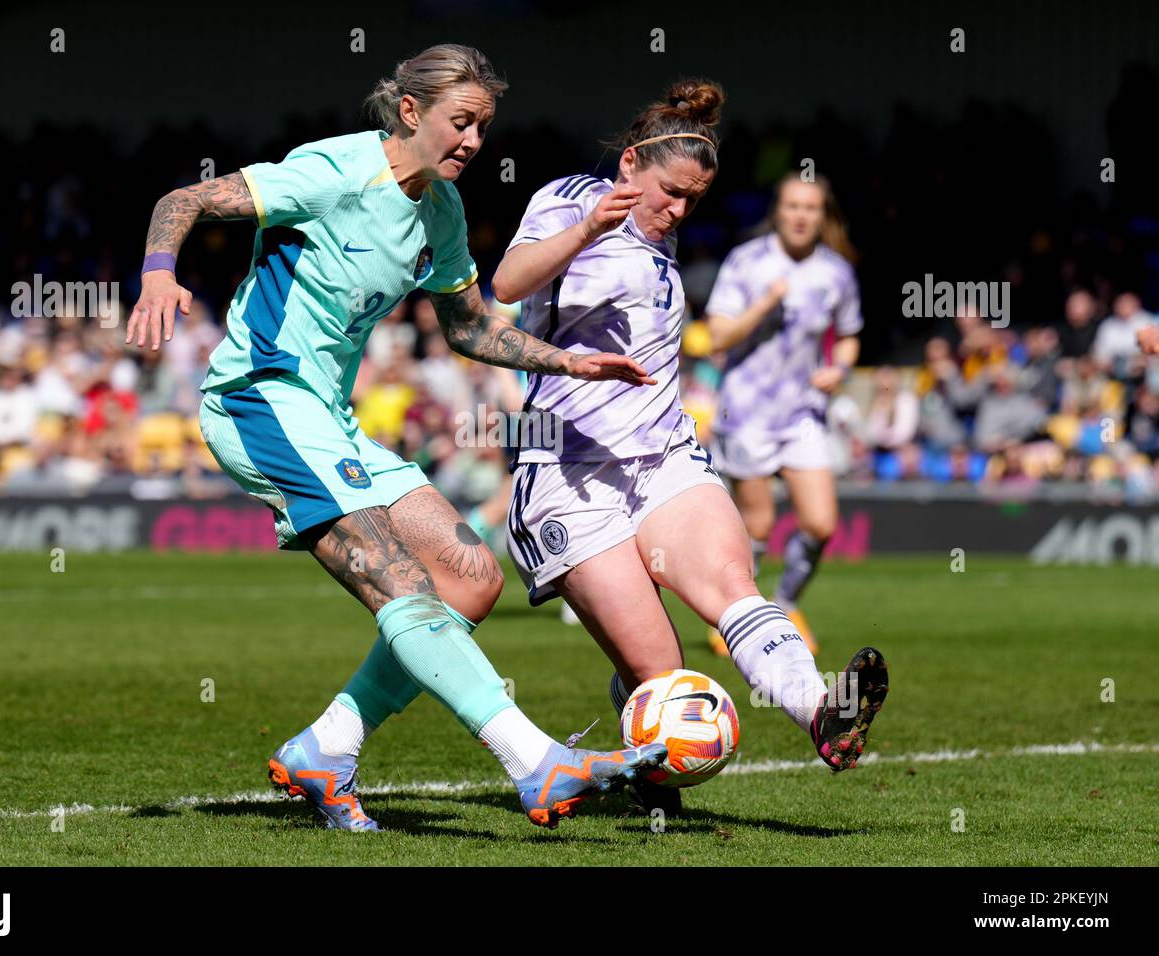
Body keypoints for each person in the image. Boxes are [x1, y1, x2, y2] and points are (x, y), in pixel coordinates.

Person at [125, 44, 665, 832]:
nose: (474, 141)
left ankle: (325, 748)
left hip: (330, 420)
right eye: (461, 121)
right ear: (410, 112)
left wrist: (569, 361)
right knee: (400, 582)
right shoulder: (334, 173)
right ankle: (537, 764)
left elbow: (470, 327)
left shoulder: (440, 212)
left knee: (472, 577)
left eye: (484, 126)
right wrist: (156, 272)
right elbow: (184, 199)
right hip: (258, 401)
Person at [492, 80, 887, 815]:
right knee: (661, 670)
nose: (677, 211)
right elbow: (507, 285)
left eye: (693, 201)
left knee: (733, 586)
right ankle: (651, 768)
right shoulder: (572, 198)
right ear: (632, 162)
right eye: (669, 192)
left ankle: (821, 714)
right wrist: (587, 229)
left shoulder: (661, 231)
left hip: (665, 458)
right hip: (569, 476)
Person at [703, 172, 862, 656]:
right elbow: (718, 337)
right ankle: (734, 618)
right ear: (778, 211)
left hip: (802, 415)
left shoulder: (836, 271)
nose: (800, 216)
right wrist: (766, 303)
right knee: (758, 527)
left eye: (810, 208)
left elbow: (851, 334)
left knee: (821, 524)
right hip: (746, 413)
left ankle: (785, 603)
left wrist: (841, 368)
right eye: (792, 206)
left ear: (822, 215)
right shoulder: (747, 263)